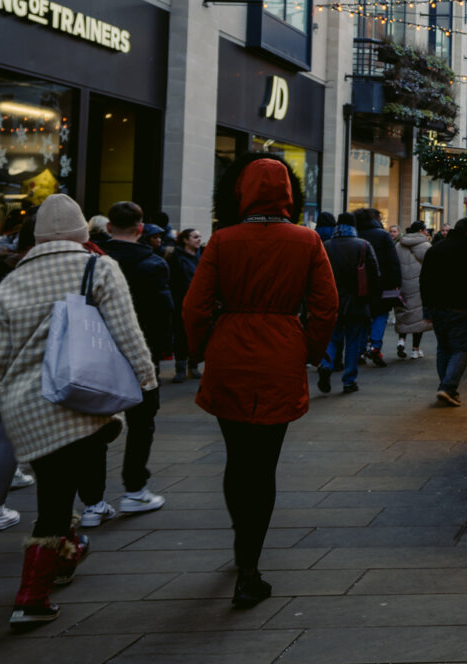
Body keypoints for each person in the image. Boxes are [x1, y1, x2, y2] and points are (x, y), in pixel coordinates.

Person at [182, 153, 338, 608]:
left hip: (230, 349)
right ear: (288, 194)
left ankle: (240, 543)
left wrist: (201, 348)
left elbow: (195, 306)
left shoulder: (222, 241)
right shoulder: (307, 241)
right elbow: (326, 308)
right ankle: (250, 565)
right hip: (281, 351)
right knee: (264, 464)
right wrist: (307, 349)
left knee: (236, 457)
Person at [0, 194, 155, 628]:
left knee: (55, 485)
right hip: (81, 399)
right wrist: (146, 376)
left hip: (26, 406)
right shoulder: (96, 266)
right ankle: (31, 596)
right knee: (52, 501)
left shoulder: (10, 282)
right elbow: (126, 329)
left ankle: (66, 555)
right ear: (84, 233)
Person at [80, 201, 172, 526]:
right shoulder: (152, 263)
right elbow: (163, 314)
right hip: (137, 353)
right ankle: (135, 489)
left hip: (95, 354)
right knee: (141, 423)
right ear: (140, 227)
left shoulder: (92, 261)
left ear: (108, 227)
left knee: (94, 426)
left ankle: (93, 502)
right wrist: (162, 351)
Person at [419, 218, 467, 407]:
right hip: (460, 306)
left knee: (443, 347)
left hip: (436, 307)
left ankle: (446, 387)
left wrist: (426, 308)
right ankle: (448, 386)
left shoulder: (435, 249)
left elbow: (424, 280)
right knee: (462, 348)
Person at [316, 213, 380, 395]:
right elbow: (375, 275)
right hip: (357, 302)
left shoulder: (326, 246)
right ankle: (349, 381)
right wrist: (373, 300)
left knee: (332, 337)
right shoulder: (363, 245)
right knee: (353, 341)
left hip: (332, 300)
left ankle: (326, 364)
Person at [354, 208, 402, 366]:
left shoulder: (356, 234)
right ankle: (375, 346)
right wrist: (396, 283)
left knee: (362, 317)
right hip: (382, 283)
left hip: (358, 284)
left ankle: (360, 351)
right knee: (381, 315)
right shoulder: (383, 235)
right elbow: (393, 261)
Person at [168, 228, 203, 384]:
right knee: (181, 334)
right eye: (195, 237)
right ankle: (181, 368)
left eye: (199, 237)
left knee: (196, 334)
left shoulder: (202, 256)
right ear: (185, 240)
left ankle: (193, 365)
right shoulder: (176, 257)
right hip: (181, 300)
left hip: (198, 301)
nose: (198, 239)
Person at [394, 221, 431, 361]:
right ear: (421, 231)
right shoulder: (425, 246)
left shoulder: (398, 245)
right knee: (418, 318)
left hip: (403, 285)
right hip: (419, 286)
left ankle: (401, 341)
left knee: (404, 315)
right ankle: (415, 350)